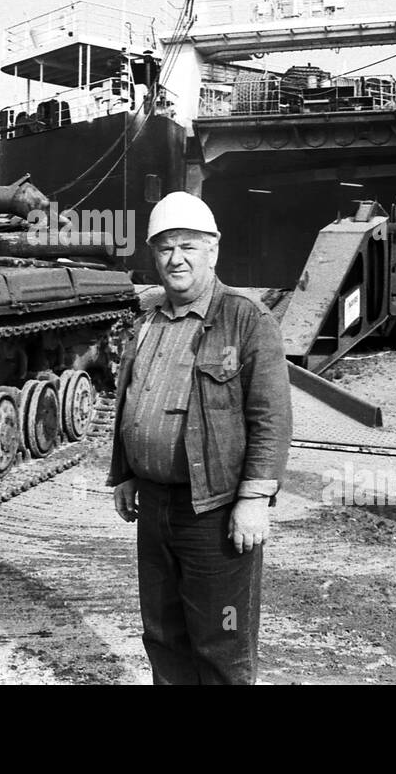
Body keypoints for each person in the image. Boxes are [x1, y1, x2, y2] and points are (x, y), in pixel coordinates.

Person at [107, 191, 291, 684]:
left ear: (213, 250)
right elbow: (134, 398)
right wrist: (125, 474)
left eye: (188, 246)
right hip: (155, 504)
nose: (176, 258)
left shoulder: (246, 319)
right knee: (163, 633)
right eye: (165, 247)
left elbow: (271, 416)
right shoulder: (147, 320)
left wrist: (254, 498)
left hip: (214, 509)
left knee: (221, 638)